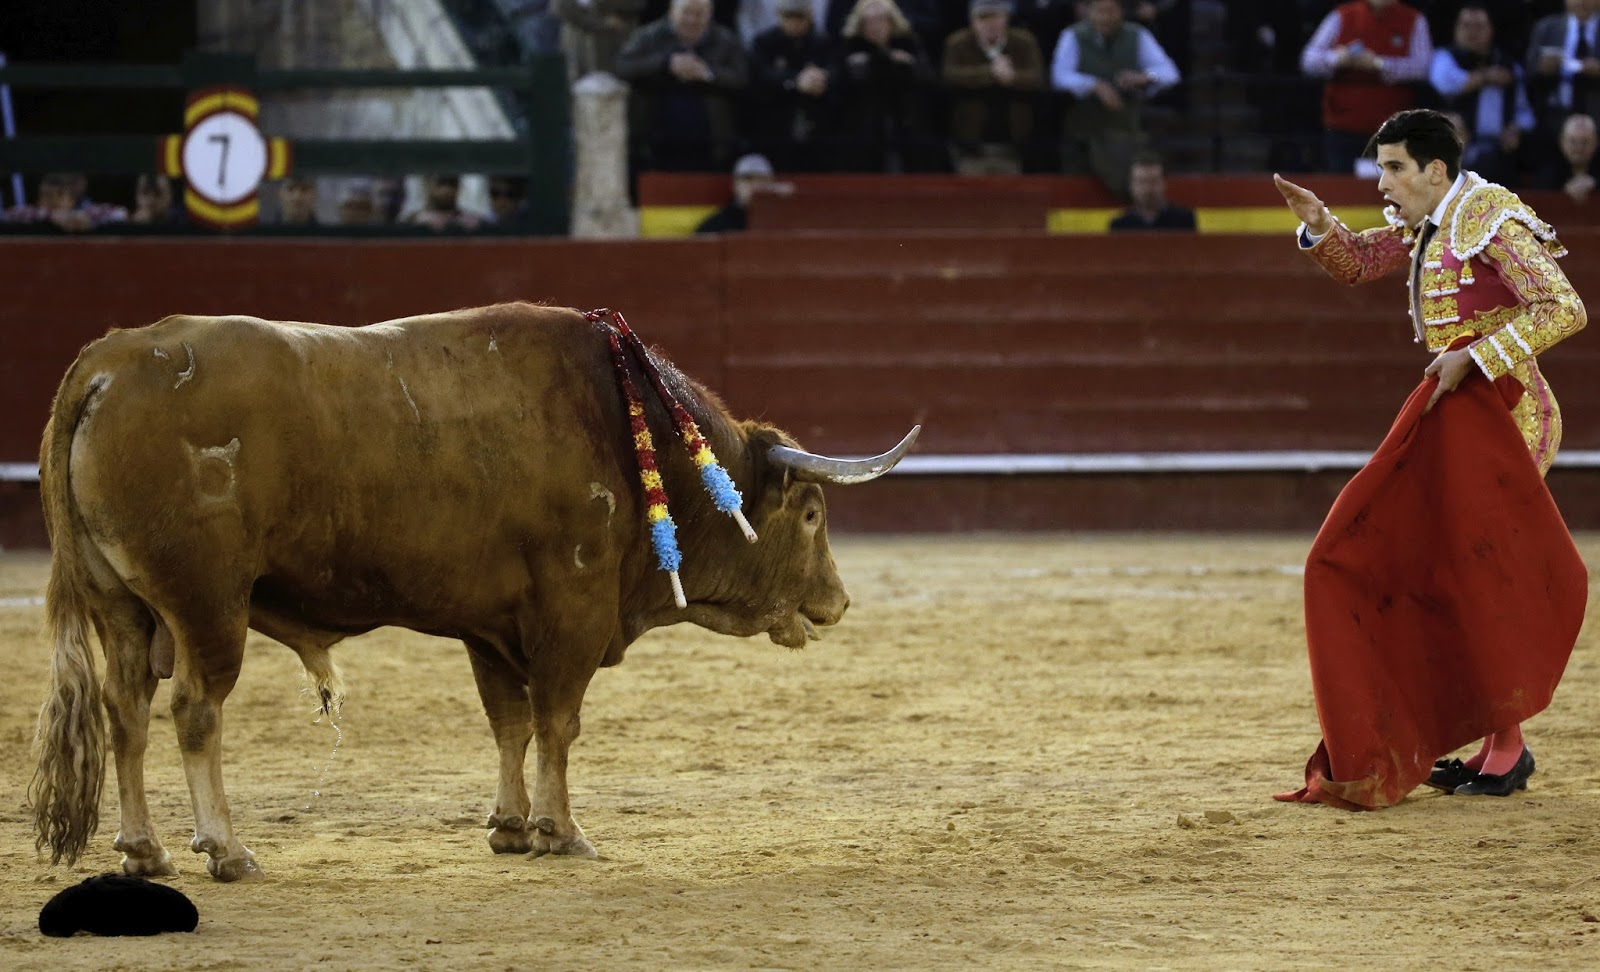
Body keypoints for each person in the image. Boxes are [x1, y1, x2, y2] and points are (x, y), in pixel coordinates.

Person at [1272, 108, 1588, 811]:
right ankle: (1497, 740)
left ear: (1435, 169)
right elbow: (1359, 263)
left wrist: (1473, 355)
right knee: (1455, 576)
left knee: (1476, 576)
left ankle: (1506, 746)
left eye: (1394, 168)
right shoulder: (1436, 222)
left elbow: (1564, 308)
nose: (1384, 181)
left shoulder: (1488, 217)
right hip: (1458, 415)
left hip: (1509, 415)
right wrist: (1320, 223)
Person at [1048, 0, 1180, 196]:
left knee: (1124, 186)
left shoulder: (1137, 34)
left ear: (1121, 12)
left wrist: (1145, 77)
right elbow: (1059, 76)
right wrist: (1093, 85)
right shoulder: (1073, 35)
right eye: (1100, 11)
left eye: (1111, 11)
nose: (1106, 17)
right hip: (1083, 128)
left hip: (1124, 129)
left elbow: (1170, 73)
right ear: (1088, 12)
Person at [613, 0, 748, 172]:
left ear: (710, 15)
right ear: (672, 12)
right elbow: (622, 66)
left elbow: (741, 78)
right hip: (655, 138)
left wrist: (707, 73)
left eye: (699, 14)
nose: (692, 20)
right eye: (686, 13)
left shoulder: (726, 39)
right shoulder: (648, 35)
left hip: (711, 140)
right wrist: (665, 64)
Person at [1299, 0, 1432, 173]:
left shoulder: (1415, 19)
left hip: (1393, 132)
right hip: (1342, 128)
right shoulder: (1341, 15)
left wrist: (1379, 64)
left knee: (1391, 191)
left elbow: (1423, 67)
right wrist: (1338, 59)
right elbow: (1308, 60)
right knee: (1342, 190)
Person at [1428, 3, 1536, 187]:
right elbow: (1446, 83)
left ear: (1491, 30)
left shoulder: (1509, 65)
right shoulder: (1444, 57)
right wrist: (1486, 77)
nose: (1472, 32)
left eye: (1479, 27)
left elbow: (1525, 112)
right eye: (1466, 26)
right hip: (1458, 146)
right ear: (1455, 29)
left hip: (1501, 147)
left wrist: (1517, 128)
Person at [941, 0, 1045, 176]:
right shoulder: (957, 43)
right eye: (983, 18)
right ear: (972, 21)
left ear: (1006, 17)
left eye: (995, 16)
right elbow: (950, 75)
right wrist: (991, 72)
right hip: (970, 141)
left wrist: (1012, 77)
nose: (990, 23)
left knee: (1010, 197)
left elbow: (1038, 77)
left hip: (1014, 141)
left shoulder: (1023, 42)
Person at [745, 0, 840, 172]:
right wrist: (795, 81)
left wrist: (822, 79)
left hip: (817, 131)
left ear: (810, 16)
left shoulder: (823, 43)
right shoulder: (764, 42)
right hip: (775, 130)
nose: (795, 22)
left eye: (800, 17)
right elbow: (761, 76)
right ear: (779, 15)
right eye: (789, 16)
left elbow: (836, 73)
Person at [693, 152, 794, 232]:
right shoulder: (715, 227)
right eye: (747, 179)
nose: (756, 185)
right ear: (734, 185)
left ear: (773, 184)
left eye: (762, 180)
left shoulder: (784, 224)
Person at [1107, 151, 1194, 230]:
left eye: (1153, 181)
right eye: (1142, 182)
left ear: (1164, 183)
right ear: (1132, 185)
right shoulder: (1119, 225)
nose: (1148, 189)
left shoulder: (1184, 220)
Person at [1542, 110, 1598, 201]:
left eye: (1585, 142)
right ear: (1562, 142)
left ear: (1596, 142)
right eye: (1573, 142)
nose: (1579, 148)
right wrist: (1564, 189)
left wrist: (1595, 184)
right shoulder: (1549, 173)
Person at [400, 175, 488, 231]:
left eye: (452, 184)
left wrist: (477, 221)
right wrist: (416, 218)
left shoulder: (467, 218)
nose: (446, 190)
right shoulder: (416, 217)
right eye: (441, 183)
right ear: (429, 186)